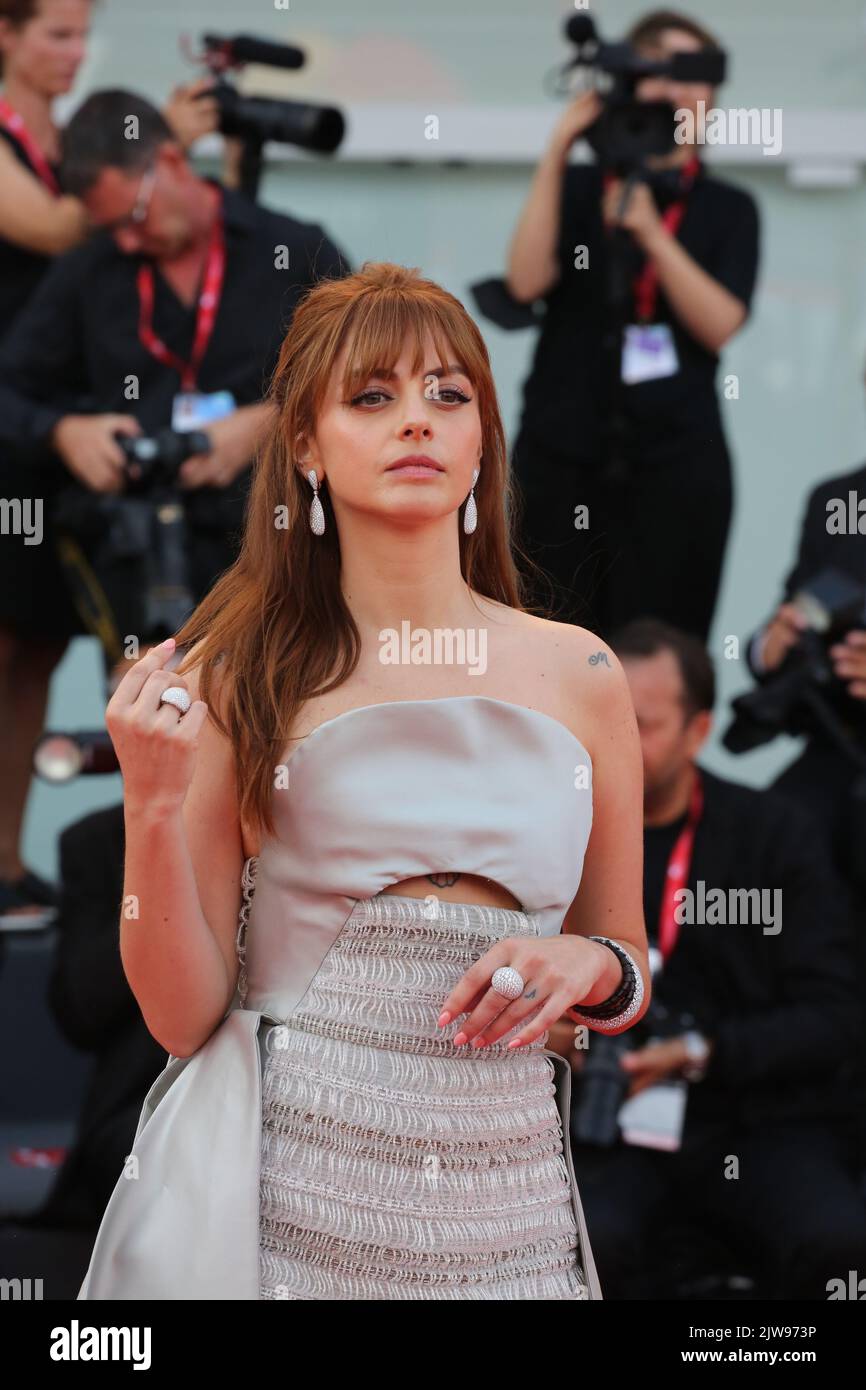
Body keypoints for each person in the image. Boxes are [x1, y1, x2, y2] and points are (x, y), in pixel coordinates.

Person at [75, 260, 649, 1300]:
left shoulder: (583, 673)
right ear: (303, 444)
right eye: (372, 397)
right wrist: (151, 802)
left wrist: (587, 965)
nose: (417, 423)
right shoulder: (232, 673)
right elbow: (181, 1018)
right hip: (297, 1202)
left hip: (511, 1207)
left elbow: (626, 959)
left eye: (447, 395)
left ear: (482, 438)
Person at [564, 619, 866, 1300]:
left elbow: (835, 1016)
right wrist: (562, 1038)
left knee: (842, 1248)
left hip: (759, 1124)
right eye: (601, 719)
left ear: (699, 732)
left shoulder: (776, 835)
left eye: (642, 724)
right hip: (607, 1133)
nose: (614, 743)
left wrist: (701, 1051)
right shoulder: (554, 832)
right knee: (576, 1247)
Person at [0, 0, 221, 926]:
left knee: (38, 649)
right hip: (17, 415)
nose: (73, 54)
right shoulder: (36, 153)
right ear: (3, 35)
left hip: (66, 425)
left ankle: (8, 867)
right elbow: (57, 226)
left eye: (82, 35)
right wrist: (150, 162)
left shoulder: (68, 133)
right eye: (54, 34)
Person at [507, 9, 760, 641]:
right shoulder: (582, 185)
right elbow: (525, 281)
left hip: (674, 466)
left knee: (659, 655)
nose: (678, 92)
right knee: (545, 646)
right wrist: (560, 149)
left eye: (695, 78)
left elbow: (721, 323)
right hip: (562, 458)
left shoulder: (729, 207)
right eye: (663, 72)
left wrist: (650, 231)